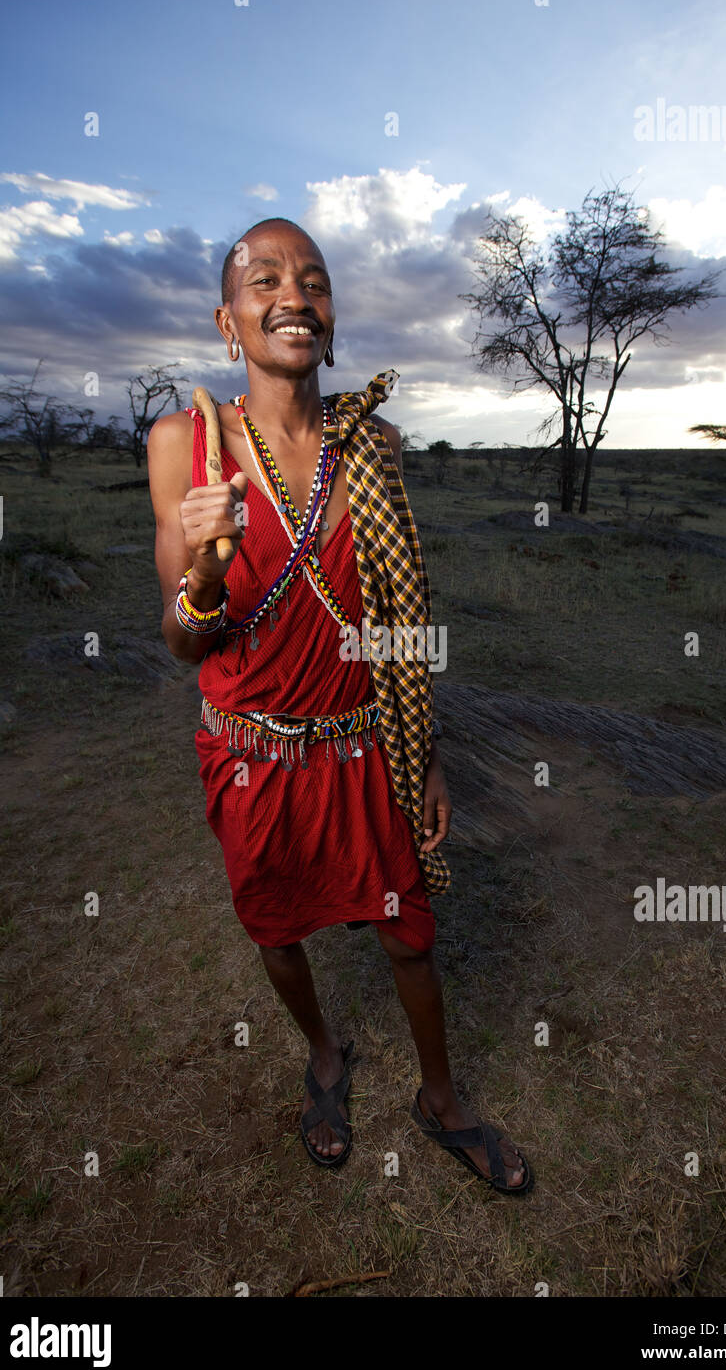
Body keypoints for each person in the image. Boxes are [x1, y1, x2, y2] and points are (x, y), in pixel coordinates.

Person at [147, 217, 532, 1194]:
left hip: (365, 753)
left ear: (329, 312)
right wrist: (204, 563)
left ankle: (440, 1099)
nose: (292, 294)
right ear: (228, 318)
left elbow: (398, 619)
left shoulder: (375, 447)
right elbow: (184, 638)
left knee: (409, 933)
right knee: (275, 930)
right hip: (250, 756)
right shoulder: (184, 444)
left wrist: (427, 752)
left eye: (313, 281)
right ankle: (323, 1052)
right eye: (264, 278)